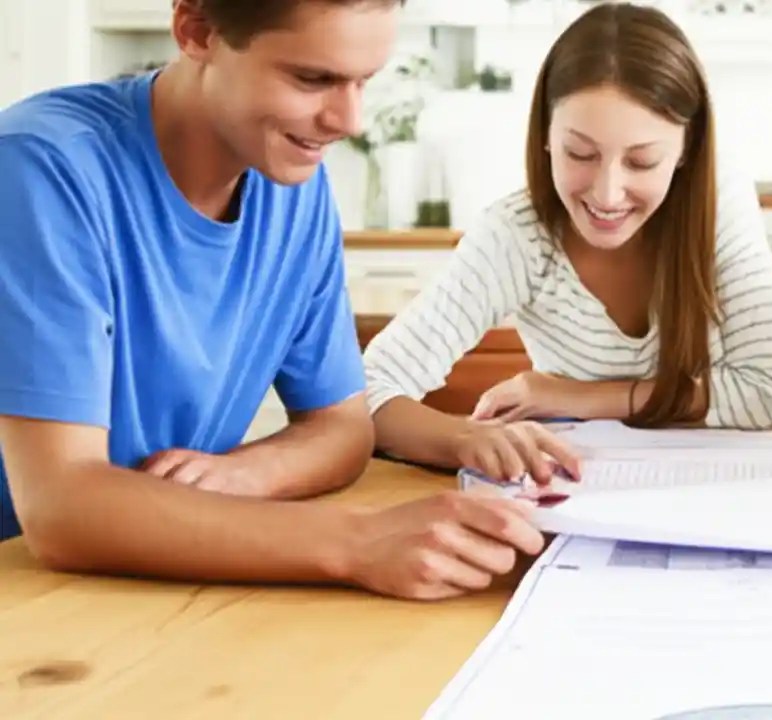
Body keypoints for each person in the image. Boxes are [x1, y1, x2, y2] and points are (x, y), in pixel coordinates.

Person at [0, 0, 542, 601]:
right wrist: (358, 542)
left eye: (364, 81)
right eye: (313, 79)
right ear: (197, 30)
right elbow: (59, 506)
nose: (349, 119)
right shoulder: (41, 171)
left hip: (148, 589)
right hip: (25, 597)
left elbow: (342, 429)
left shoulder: (293, 189)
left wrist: (243, 474)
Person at [363, 2, 772, 485]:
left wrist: (573, 395)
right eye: (581, 153)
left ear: (685, 150)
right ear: (546, 135)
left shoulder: (719, 204)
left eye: (642, 162)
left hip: (749, 486)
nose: (607, 193)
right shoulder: (517, 235)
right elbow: (369, 387)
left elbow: (760, 394)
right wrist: (464, 438)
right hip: (597, 495)